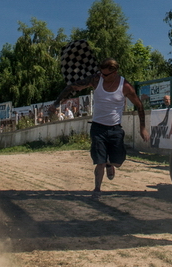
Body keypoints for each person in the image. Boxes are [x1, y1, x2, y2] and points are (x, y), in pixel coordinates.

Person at [54, 58, 149, 198]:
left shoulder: (125, 86)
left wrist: (142, 128)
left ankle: (110, 164)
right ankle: (97, 188)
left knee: (117, 162)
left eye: (105, 74)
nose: (102, 76)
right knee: (100, 161)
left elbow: (139, 105)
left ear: (115, 72)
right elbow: (72, 87)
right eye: (101, 73)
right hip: (98, 128)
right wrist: (56, 103)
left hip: (115, 128)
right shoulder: (96, 80)